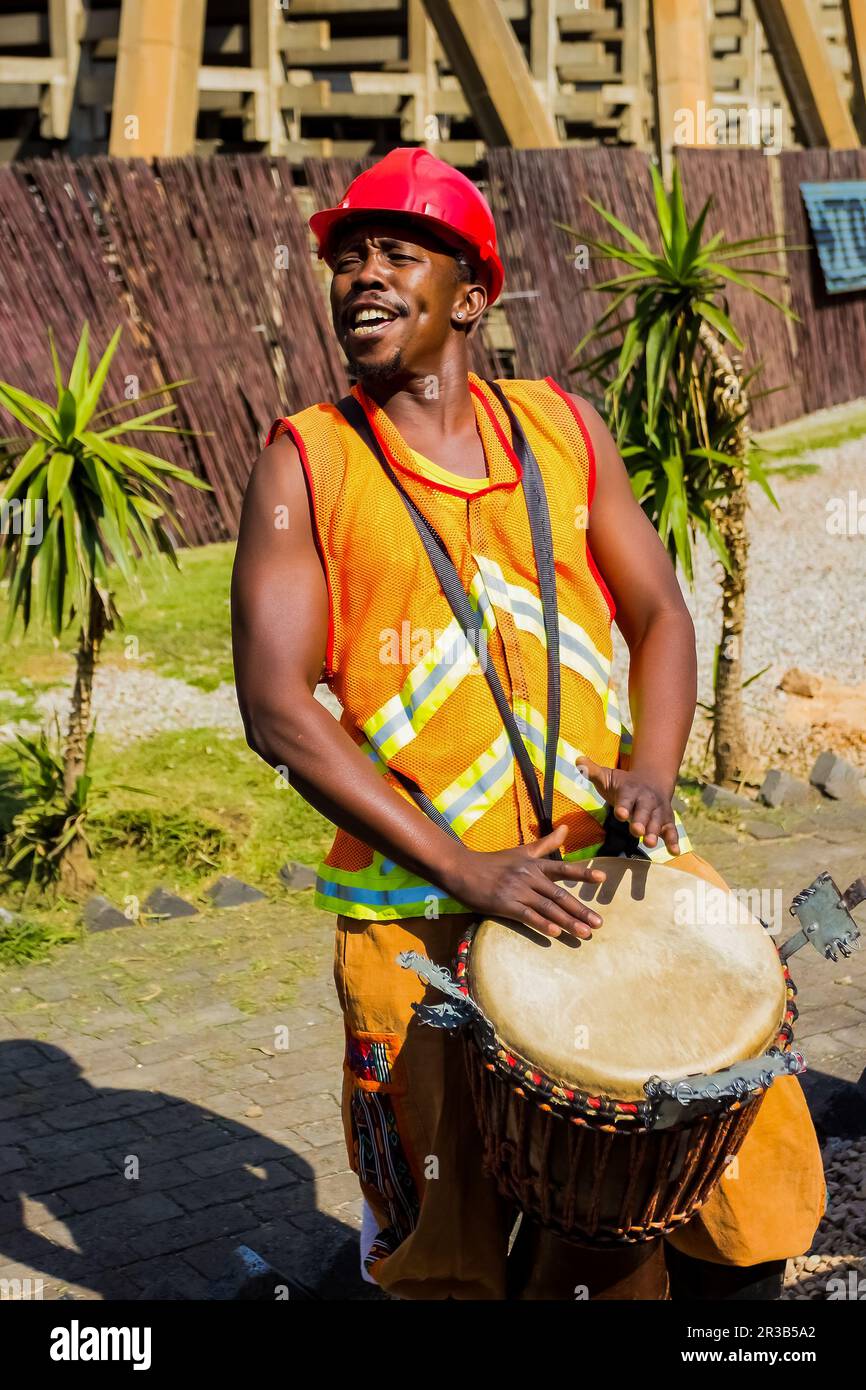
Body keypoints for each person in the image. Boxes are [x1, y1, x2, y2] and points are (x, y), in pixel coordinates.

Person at [231, 146, 825, 1300]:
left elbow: (657, 613)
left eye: (396, 252)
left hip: (609, 883)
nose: (360, 275)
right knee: (445, 1254)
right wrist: (466, 868)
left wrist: (651, 773)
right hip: (415, 919)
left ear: (469, 296)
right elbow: (275, 707)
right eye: (346, 257)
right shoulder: (305, 461)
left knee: (732, 1197)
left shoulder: (560, 426)